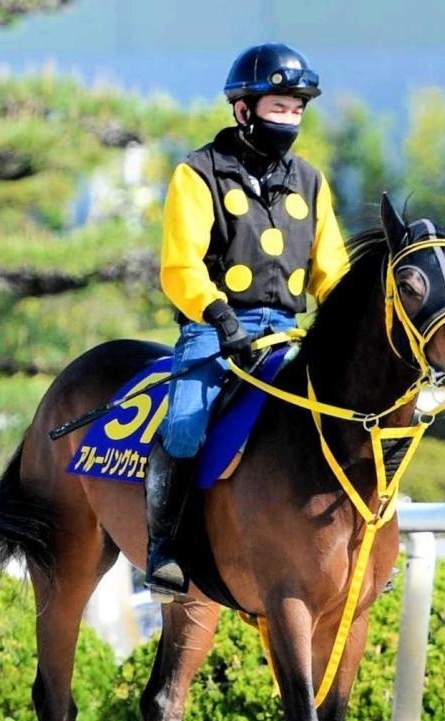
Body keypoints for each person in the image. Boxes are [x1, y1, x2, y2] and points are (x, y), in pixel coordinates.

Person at [145, 41, 349, 598]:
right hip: (214, 326)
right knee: (186, 424)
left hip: (289, 330)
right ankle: (163, 548)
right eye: (279, 108)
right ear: (243, 109)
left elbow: (330, 270)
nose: (290, 120)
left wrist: (347, 321)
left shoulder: (311, 181)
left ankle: (360, 545)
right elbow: (179, 265)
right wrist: (220, 319)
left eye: (297, 110)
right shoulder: (197, 174)